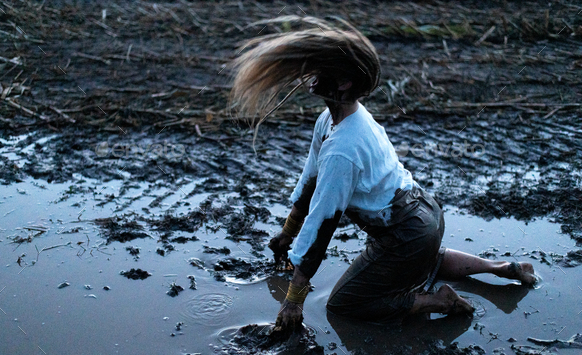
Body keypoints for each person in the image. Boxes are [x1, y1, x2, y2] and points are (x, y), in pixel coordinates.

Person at [229, 16, 536, 334]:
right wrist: (286, 234)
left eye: (322, 67)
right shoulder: (336, 119)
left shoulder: (342, 151)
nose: (311, 72)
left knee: (345, 305)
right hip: (427, 215)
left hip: (407, 235)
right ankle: (501, 268)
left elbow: (322, 225)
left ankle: (440, 302)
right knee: (425, 259)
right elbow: (310, 182)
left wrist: (293, 300)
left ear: (345, 82)